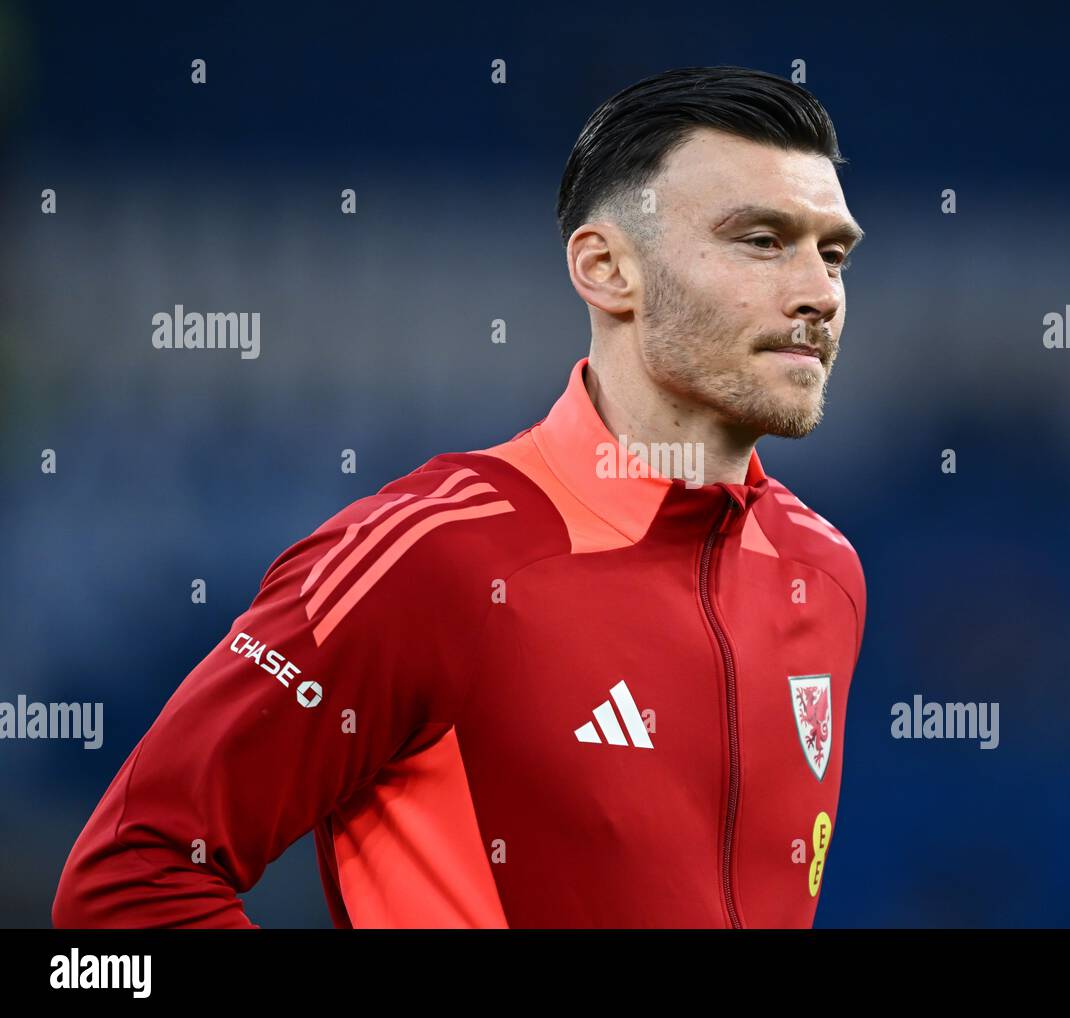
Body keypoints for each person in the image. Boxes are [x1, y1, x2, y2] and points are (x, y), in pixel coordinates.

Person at [52, 64, 867, 929]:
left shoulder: (823, 572)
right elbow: (123, 888)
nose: (817, 293)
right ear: (607, 270)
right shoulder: (432, 556)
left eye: (834, 252)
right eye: (762, 240)